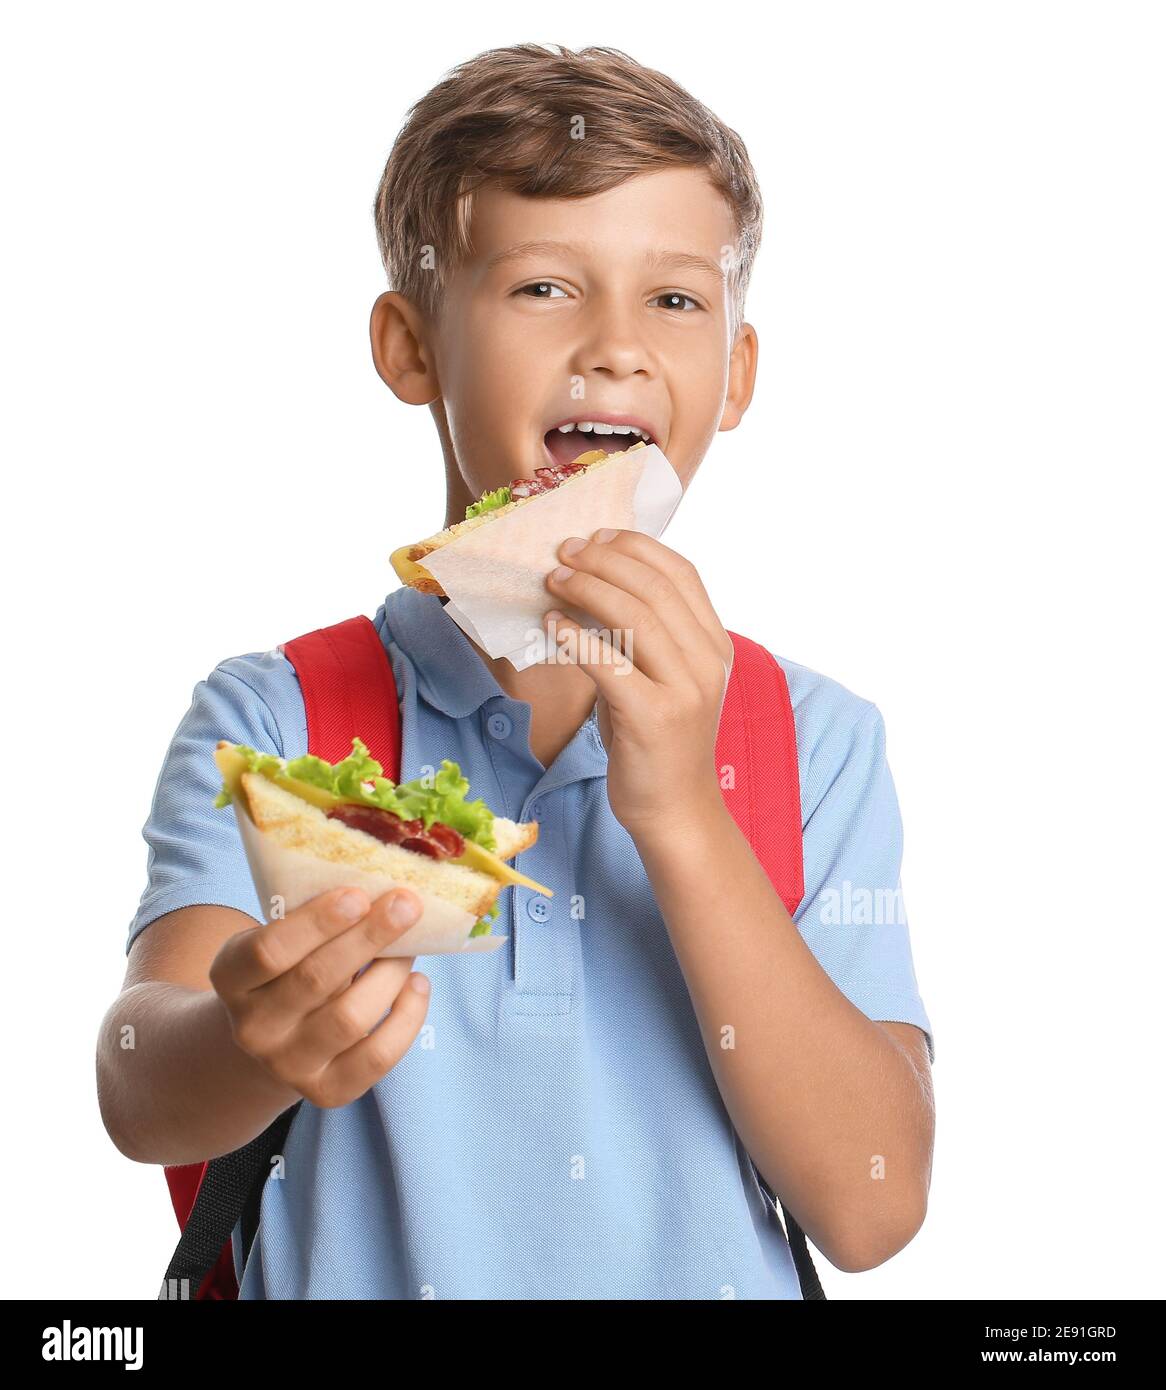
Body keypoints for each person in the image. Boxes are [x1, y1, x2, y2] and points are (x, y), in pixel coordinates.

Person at [97, 43, 935, 1300]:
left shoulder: (813, 739)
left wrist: (681, 813)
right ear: (410, 348)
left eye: (675, 299)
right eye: (544, 287)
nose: (616, 347)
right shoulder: (279, 713)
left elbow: (872, 1206)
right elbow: (136, 1083)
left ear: (739, 372)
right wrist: (249, 1037)